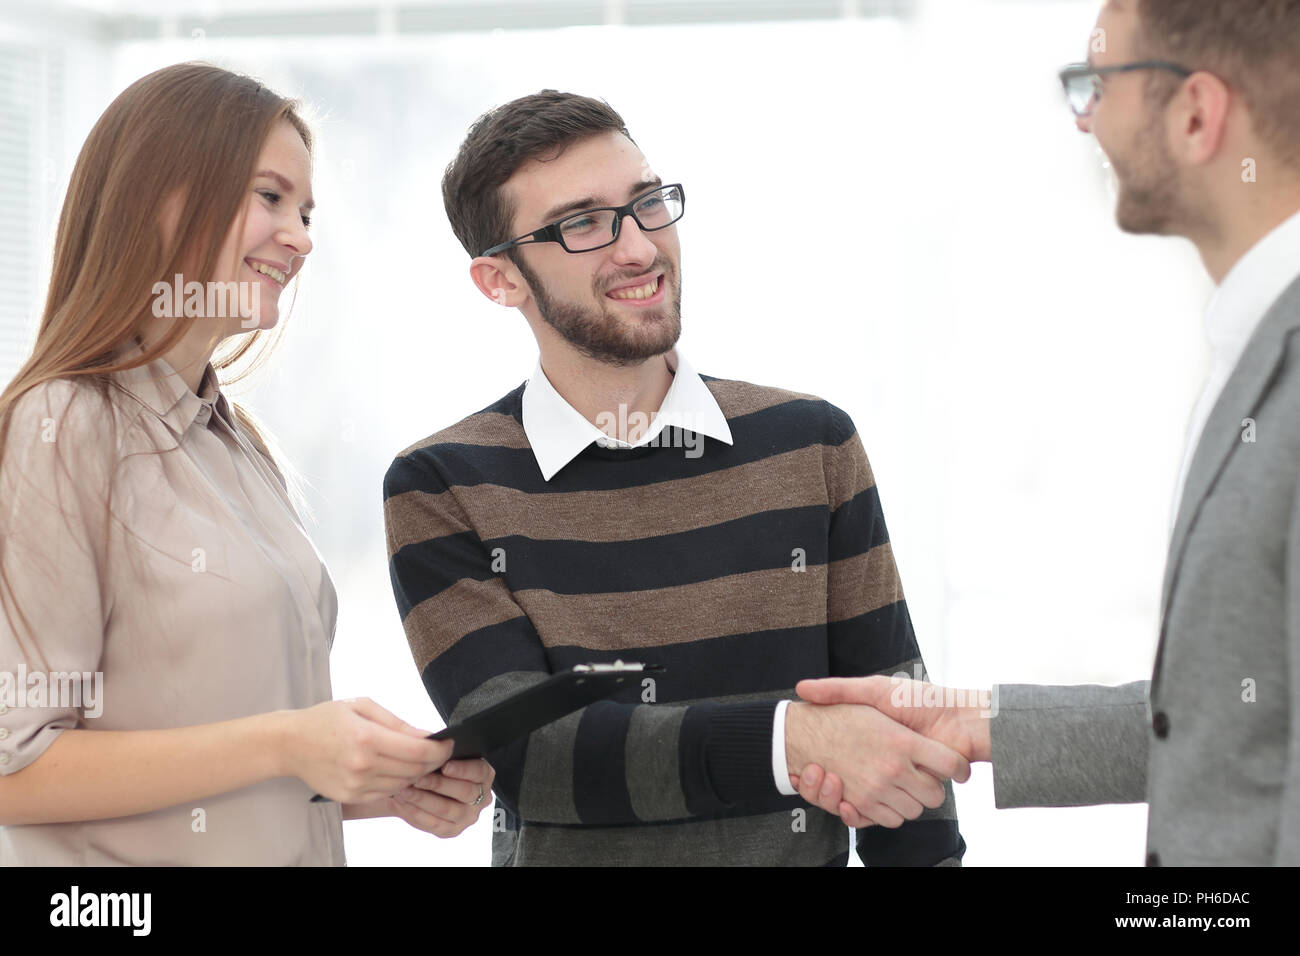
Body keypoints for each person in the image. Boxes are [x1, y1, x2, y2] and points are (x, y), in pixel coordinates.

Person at [382, 90, 969, 866]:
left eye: (647, 203)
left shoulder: (810, 445)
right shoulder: (442, 485)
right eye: (583, 223)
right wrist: (791, 738)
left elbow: (901, 740)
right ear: (500, 280)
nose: (638, 249)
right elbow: (540, 760)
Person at [796, 0, 1300, 866]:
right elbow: (1248, 717)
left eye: (1099, 85)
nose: (1086, 117)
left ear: (1195, 113)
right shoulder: (1250, 343)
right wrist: (979, 719)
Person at [0, 63, 493, 865]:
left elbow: (204, 756)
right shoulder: (62, 426)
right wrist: (286, 745)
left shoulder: (236, 444)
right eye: (270, 198)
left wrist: (370, 786)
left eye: (305, 211)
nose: (300, 236)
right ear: (157, 197)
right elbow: (13, 766)